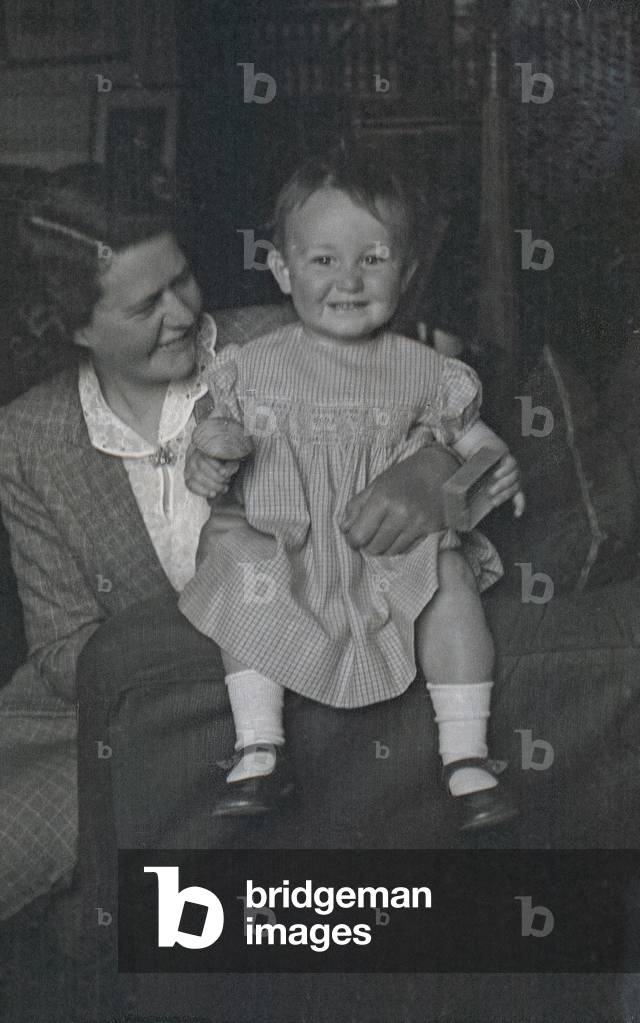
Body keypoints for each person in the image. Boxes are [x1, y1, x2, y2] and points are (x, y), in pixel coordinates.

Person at [0, 165, 460, 927]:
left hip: (228, 710)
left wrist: (432, 465)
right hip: (81, 705)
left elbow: (448, 382)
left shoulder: (285, 340)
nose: (185, 311)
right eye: (145, 304)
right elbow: (61, 645)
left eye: (182, 279)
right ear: (74, 327)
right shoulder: (28, 437)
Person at [180, 147, 525, 830]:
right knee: (235, 558)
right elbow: (210, 443)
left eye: (374, 258)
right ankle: (259, 746)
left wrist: (494, 463)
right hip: (290, 549)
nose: (350, 279)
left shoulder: (428, 371)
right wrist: (210, 456)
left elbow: (477, 444)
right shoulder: (248, 368)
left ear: (409, 270)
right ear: (282, 268)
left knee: (451, 574)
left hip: (390, 553)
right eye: (323, 260)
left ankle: (466, 753)